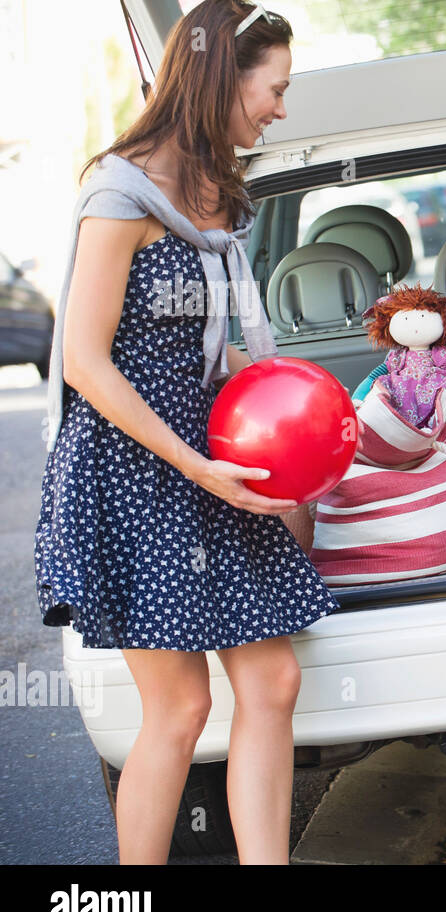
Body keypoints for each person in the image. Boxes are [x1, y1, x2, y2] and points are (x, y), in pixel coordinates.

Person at [32, 1, 337, 864]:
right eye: (273, 88)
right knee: (181, 708)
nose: (281, 107)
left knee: (273, 681)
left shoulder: (217, 194)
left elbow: (213, 344)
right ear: (219, 77)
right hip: (134, 468)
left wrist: (279, 394)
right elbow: (88, 363)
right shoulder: (119, 192)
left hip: (211, 460)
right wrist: (198, 467)